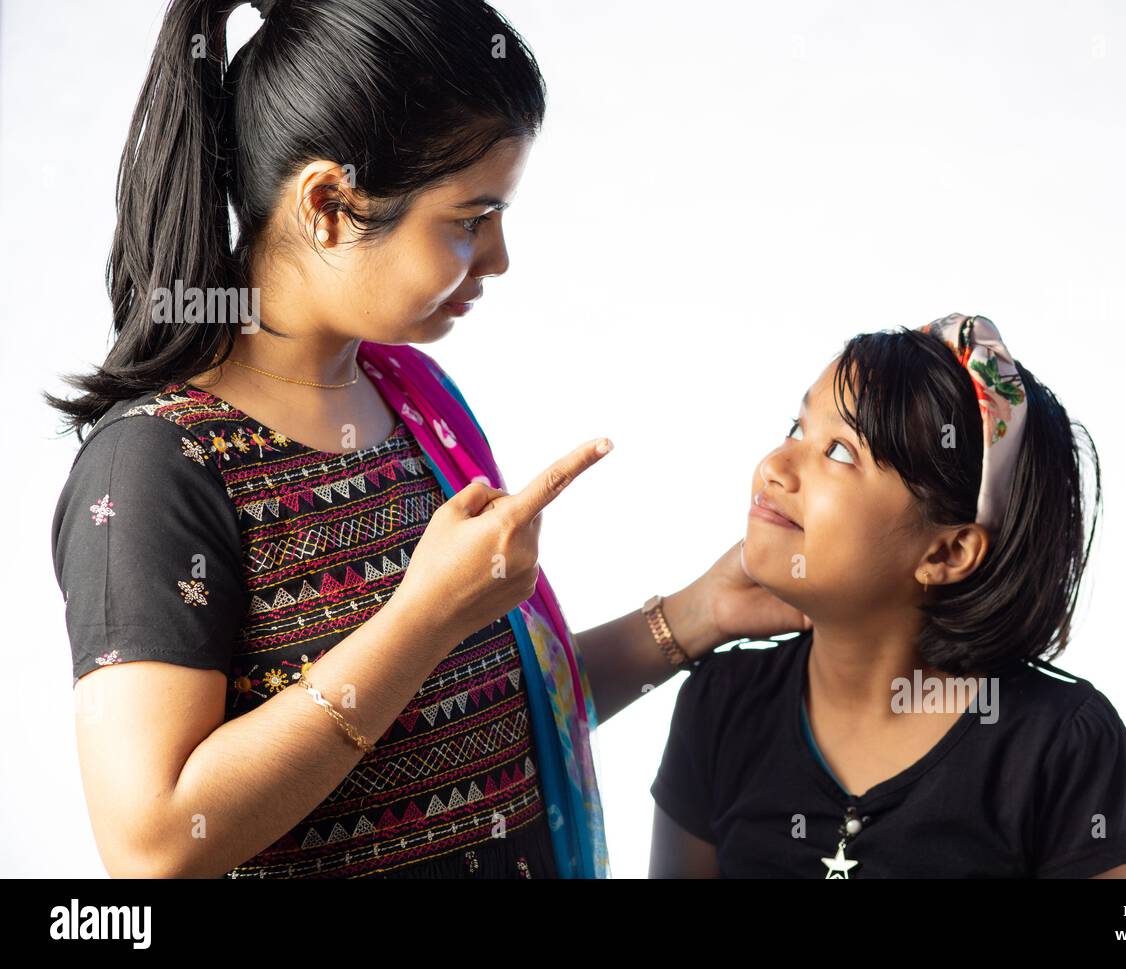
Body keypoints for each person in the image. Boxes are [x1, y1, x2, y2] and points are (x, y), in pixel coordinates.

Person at [46, 0, 808, 879]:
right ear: (330, 205)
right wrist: (421, 617)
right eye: (468, 218)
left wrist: (691, 618)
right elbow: (155, 845)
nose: (497, 258)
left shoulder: (411, 398)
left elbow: (481, 724)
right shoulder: (156, 467)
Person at [649, 313, 1126, 878]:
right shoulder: (722, 704)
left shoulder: (1060, 746)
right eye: (797, 429)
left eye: (838, 452)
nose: (773, 467)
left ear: (946, 554)